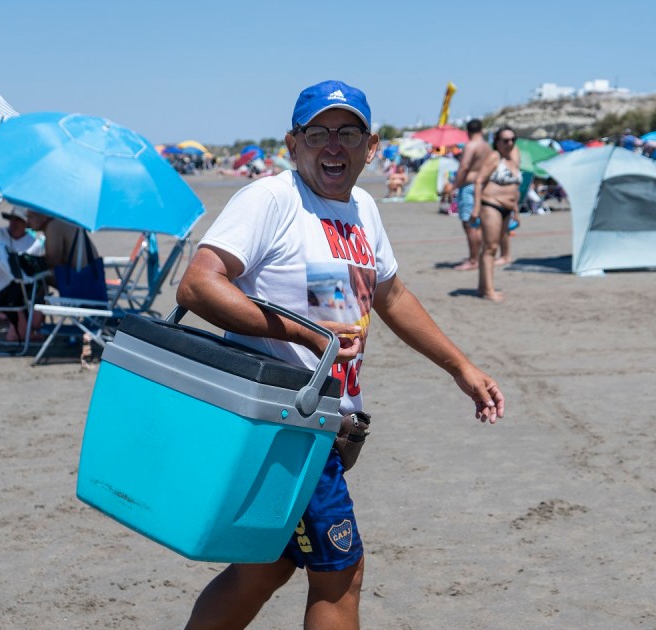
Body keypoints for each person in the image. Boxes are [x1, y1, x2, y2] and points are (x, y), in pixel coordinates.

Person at [176, 79, 504, 630]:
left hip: (325, 424)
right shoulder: (272, 199)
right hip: (284, 426)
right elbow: (198, 285)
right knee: (340, 574)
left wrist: (460, 368)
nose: (334, 145)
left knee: (265, 566)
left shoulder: (363, 208)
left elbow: (391, 296)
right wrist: (308, 334)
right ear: (293, 143)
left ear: (371, 147)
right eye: (319, 133)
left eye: (348, 133)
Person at [473, 126, 522, 302]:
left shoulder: (513, 159)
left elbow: (515, 188)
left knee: (491, 247)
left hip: (507, 208)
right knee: (491, 248)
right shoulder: (495, 157)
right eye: (505, 140)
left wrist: (515, 209)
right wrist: (476, 208)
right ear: (497, 142)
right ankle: (489, 290)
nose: (510, 143)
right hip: (492, 205)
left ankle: (483, 287)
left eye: (513, 139)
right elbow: (479, 181)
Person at [444, 119, 491, 271]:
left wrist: (454, 186)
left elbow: (464, 167)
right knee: (478, 224)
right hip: (483, 186)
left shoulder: (471, 146)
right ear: (481, 130)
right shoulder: (487, 146)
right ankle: (478, 257)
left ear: (467, 132)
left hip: (469, 186)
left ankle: (473, 260)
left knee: (469, 224)